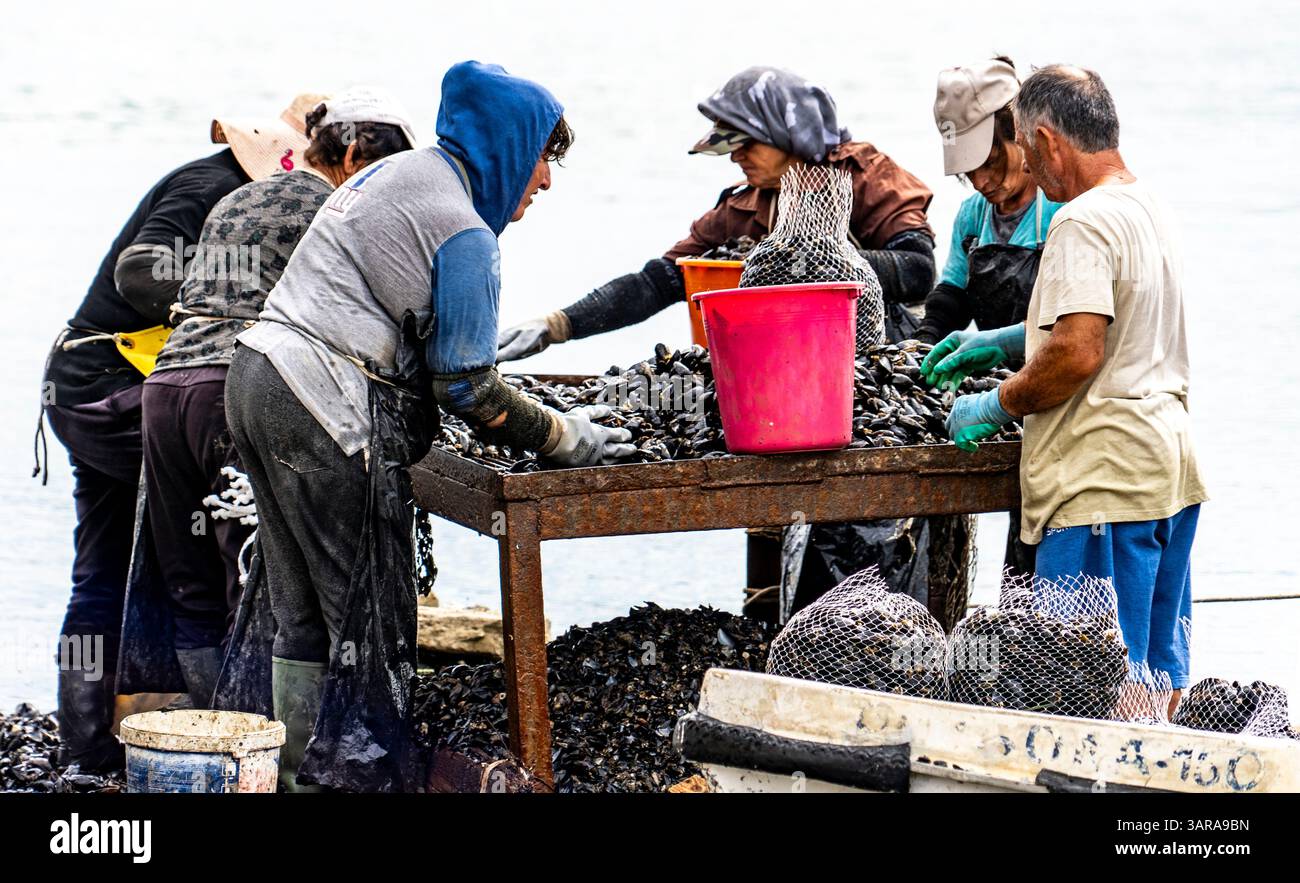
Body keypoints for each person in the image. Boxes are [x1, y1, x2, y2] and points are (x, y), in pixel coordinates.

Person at [226, 61, 633, 791]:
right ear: (508, 149)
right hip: (323, 404)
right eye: (543, 159)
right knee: (368, 616)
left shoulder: (397, 173)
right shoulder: (465, 231)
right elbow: (469, 387)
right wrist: (567, 437)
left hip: (257, 376)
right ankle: (358, 778)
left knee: (301, 615)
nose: (544, 182)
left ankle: (291, 774)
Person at [39, 94, 320, 771]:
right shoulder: (210, 185)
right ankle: (236, 725)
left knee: (99, 571)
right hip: (115, 388)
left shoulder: (224, 188)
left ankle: (86, 745)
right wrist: (220, 310)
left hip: (86, 386)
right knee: (227, 532)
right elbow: (139, 270)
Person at [925, 65, 1207, 716]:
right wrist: (999, 340)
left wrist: (996, 401)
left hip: (1100, 489)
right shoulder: (1148, 205)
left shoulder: (1080, 221)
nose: (1025, 164)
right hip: (1169, 473)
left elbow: (1079, 351)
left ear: (1048, 142)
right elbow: (1117, 323)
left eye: (1023, 147)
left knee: (1083, 688)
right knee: (1152, 677)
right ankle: (1153, 792)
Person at [139, 88, 417, 708]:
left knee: (191, 582)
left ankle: (214, 738)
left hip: (166, 389)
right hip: (233, 391)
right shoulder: (339, 211)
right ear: (351, 155)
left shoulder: (235, 198)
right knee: (256, 576)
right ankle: (262, 742)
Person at [495, 65, 936, 361]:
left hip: (881, 361)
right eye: (729, 146)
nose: (734, 158)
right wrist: (560, 325)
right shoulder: (745, 204)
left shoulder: (862, 174)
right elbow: (658, 282)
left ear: (788, 133)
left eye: (745, 144)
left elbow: (918, 270)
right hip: (780, 368)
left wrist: (799, 262)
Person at [919, 56, 1066, 579]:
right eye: (969, 170)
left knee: (1037, 551)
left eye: (991, 163)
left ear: (1021, 136)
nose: (981, 180)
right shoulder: (972, 217)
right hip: (997, 399)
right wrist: (920, 349)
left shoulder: (1063, 212)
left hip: (1054, 390)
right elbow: (950, 297)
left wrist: (1001, 346)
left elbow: (1072, 332)